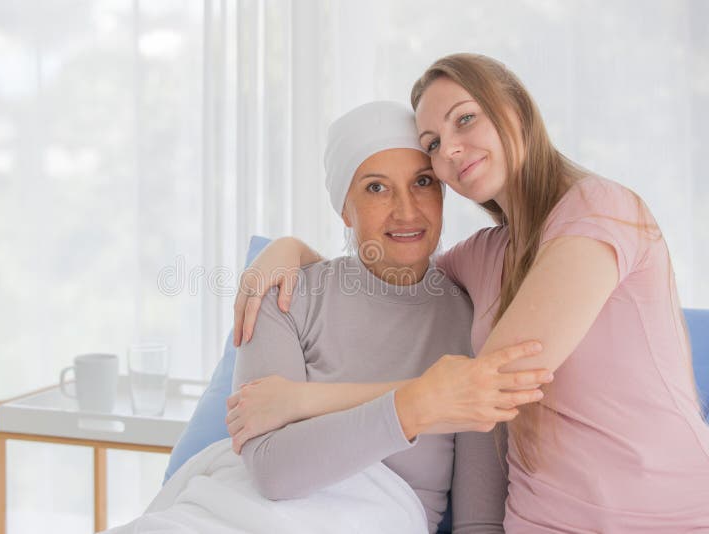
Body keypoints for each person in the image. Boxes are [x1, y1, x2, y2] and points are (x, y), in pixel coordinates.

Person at [230, 54, 709, 531]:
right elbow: (392, 270)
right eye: (434, 143)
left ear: (515, 109)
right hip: (540, 520)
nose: (453, 150)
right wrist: (288, 250)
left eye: (465, 119)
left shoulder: (597, 210)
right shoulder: (481, 257)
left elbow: (483, 388)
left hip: (657, 513)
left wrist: (302, 401)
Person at [227, 100, 553, 533]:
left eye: (422, 182)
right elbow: (272, 471)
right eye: (376, 188)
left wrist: (416, 404)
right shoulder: (283, 293)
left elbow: (479, 520)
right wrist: (420, 404)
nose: (406, 210)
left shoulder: (473, 323)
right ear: (345, 209)